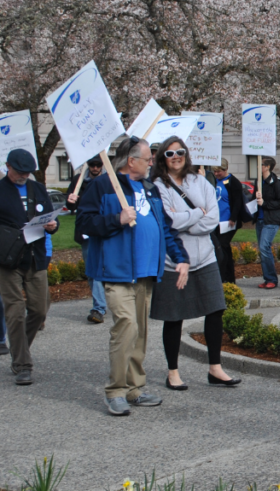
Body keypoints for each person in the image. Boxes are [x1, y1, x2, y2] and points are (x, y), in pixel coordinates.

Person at [77, 137, 190, 416]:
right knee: (125, 327)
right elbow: (83, 225)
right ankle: (115, 391)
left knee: (139, 331)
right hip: (116, 273)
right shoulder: (103, 186)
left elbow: (165, 228)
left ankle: (134, 388)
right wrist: (116, 220)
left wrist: (181, 259)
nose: (152, 161)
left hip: (145, 274)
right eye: (147, 158)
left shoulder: (149, 188)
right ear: (131, 161)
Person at [150, 137, 239, 391]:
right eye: (169, 153)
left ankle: (215, 368)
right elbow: (168, 222)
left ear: (186, 155)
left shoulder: (200, 181)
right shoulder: (158, 186)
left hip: (205, 258)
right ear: (162, 158)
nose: (175, 156)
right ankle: (173, 371)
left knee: (215, 310)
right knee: (174, 317)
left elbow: (212, 219)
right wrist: (196, 214)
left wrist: (188, 219)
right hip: (175, 262)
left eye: (180, 152)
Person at [0, 149, 59, 386]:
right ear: (8, 166)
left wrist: (52, 225)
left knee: (39, 310)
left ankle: (18, 347)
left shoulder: (38, 189)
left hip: (35, 256)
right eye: (19, 172)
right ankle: (23, 364)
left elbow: (49, 219)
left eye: (27, 172)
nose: (24, 176)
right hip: (7, 260)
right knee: (14, 311)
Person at [66, 156, 108, 324]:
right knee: (93, 270)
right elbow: (71, 205)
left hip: (106, 229)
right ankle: (99, 308)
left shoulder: (109, 180)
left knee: (109, 268)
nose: (95, 168)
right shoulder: (79, 181)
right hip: (87, 232)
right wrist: (70, 201)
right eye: (92, 164)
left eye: (98, 165)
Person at [255, 157, 280, 289]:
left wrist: (265, 203)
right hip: (260, 219)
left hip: (271, 220)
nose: (258, 167)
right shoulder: (258, 181)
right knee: (263, 249)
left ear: (267, 166)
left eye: (260, 164)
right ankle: (267, 278)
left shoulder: (275, 182)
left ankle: (272, 279)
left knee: (264, 247)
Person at [212, 159, 245, 284]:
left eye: (218, 171)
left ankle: (227, 276)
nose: (216, 174)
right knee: (220, 248)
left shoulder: (233, 182)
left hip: (228, 221)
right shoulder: (214, 181)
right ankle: (223, 275)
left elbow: (237, 201)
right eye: (215, 171)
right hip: (216, 220)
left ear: (225, 169)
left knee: (223, 246)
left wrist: (233, 218)